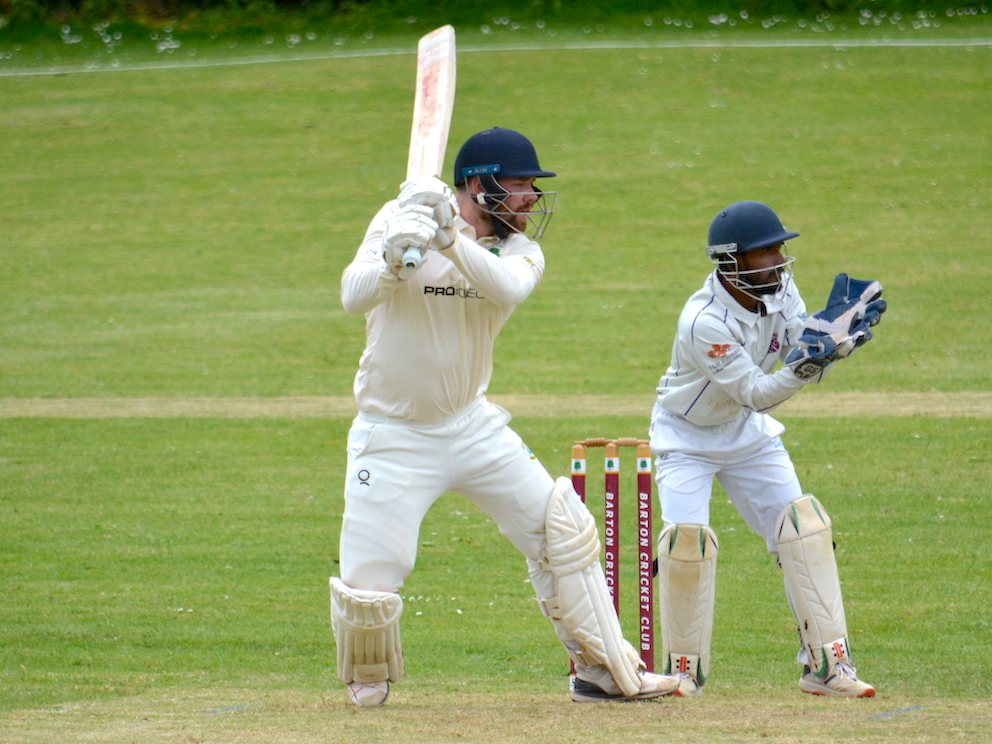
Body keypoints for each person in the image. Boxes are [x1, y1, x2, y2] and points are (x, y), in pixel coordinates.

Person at [332, 127, 680, 707]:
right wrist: (395, 260)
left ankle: (600, 670)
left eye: (531, 187)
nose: (530, 198)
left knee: (561, 529)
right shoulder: (399, 215)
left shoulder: (520, 250)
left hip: (472, 427)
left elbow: (505, 287)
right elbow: (352, 295)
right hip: (392, 433)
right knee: (374, 574)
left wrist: (446, 239)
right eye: (520, 184)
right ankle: (367, 680)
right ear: (478, 183)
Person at [649, 200, 886, 698]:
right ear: (731, 263)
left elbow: (801, 343)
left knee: (804, 530)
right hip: (686, 436)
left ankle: (827, 668)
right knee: (685, 544)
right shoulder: (703, 321)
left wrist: (830, 338)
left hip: (747, 432)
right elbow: (756, 389)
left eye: (780, 248)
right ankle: (681, 673)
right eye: (766, 251)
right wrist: (807, 364)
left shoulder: (780, 289)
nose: (779, 258)